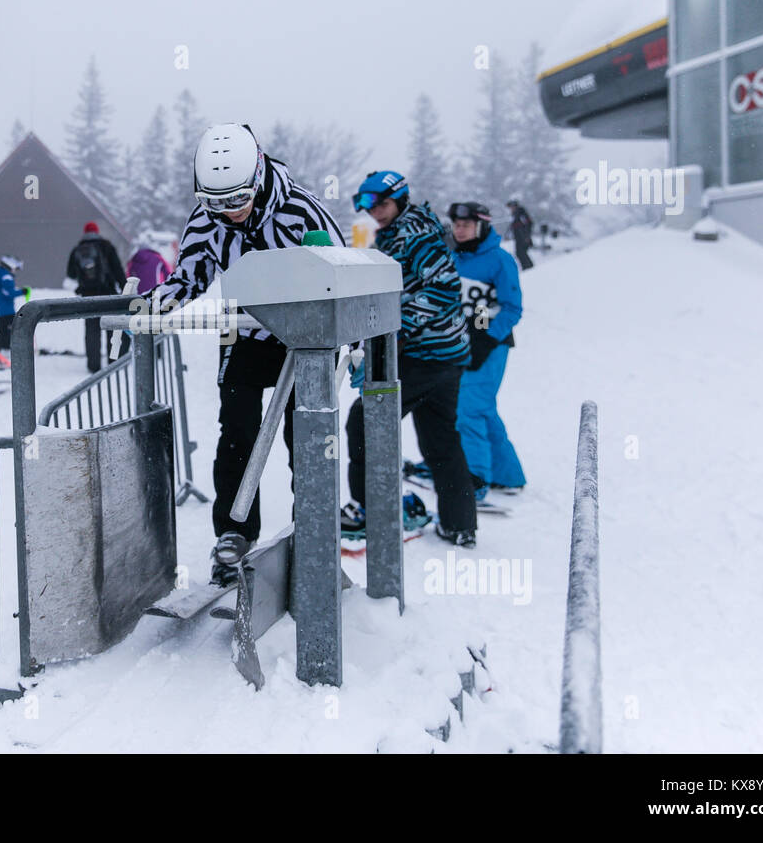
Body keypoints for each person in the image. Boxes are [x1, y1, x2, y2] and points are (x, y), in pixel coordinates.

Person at [146, 123, 344, 585]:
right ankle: (233, 533)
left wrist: (342, 332)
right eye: (216, 203)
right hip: (246, 332)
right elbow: (189, 277)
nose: (229, 213)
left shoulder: (300, 211)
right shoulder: (205, 221)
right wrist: (155, 304)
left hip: (306, 338)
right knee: (236, 429)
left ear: (256, 179)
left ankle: (313, 532)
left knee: (308, 436)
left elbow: (340, 271)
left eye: (237, 200)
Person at [341, 171, 478, 548]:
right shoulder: (399, 231)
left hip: (426, 354)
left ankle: (369, 510)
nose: (376, 214)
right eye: (368, 207)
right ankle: (459, 523)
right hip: (443, 355)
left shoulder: (415, 234)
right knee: (439, 439)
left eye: (382, 205)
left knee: (364, 420)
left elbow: (445, 289)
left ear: (400, 200)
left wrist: (395, 324)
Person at [449, 202, 526, 497]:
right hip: (461, 341)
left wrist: (486, 335)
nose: (460, 230)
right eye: (457, 225)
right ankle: (507, 475)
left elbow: (512, 308)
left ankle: (475, 482)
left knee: (468, 410)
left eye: (466, 225)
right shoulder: (454, 257)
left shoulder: (499, 260)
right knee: (483, 409)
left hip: (491, 345)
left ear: (481, 226)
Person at [66, 221, 126, 372]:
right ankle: (114, 361)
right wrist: (124, 287)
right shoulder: (107, 246)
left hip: (88, 296)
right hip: (108, 293)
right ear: (97, 231)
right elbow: (117, 269)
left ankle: (93, 366)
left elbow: (71, 273)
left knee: (92, 330)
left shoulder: (78, 249)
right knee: (111, 327)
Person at [0, 254, 27, 351]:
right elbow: (9, 292)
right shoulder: (6, 276)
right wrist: (22, 291)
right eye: (16, 269)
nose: (15, 271)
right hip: (6, 309)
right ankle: (5, 349)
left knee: (2, 329)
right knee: (9, 329)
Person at [507, 199, 534, 270]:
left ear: (515, 206)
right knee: (519, 253)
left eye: (511, 207)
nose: (511, 209)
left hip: (523, 237)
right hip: (518, 237)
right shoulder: (515, 215)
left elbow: (529, 224)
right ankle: (528, 267)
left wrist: (527, 235)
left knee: (521, 253)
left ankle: (529, 268)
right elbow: (513, 226)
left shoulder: (521, 213)